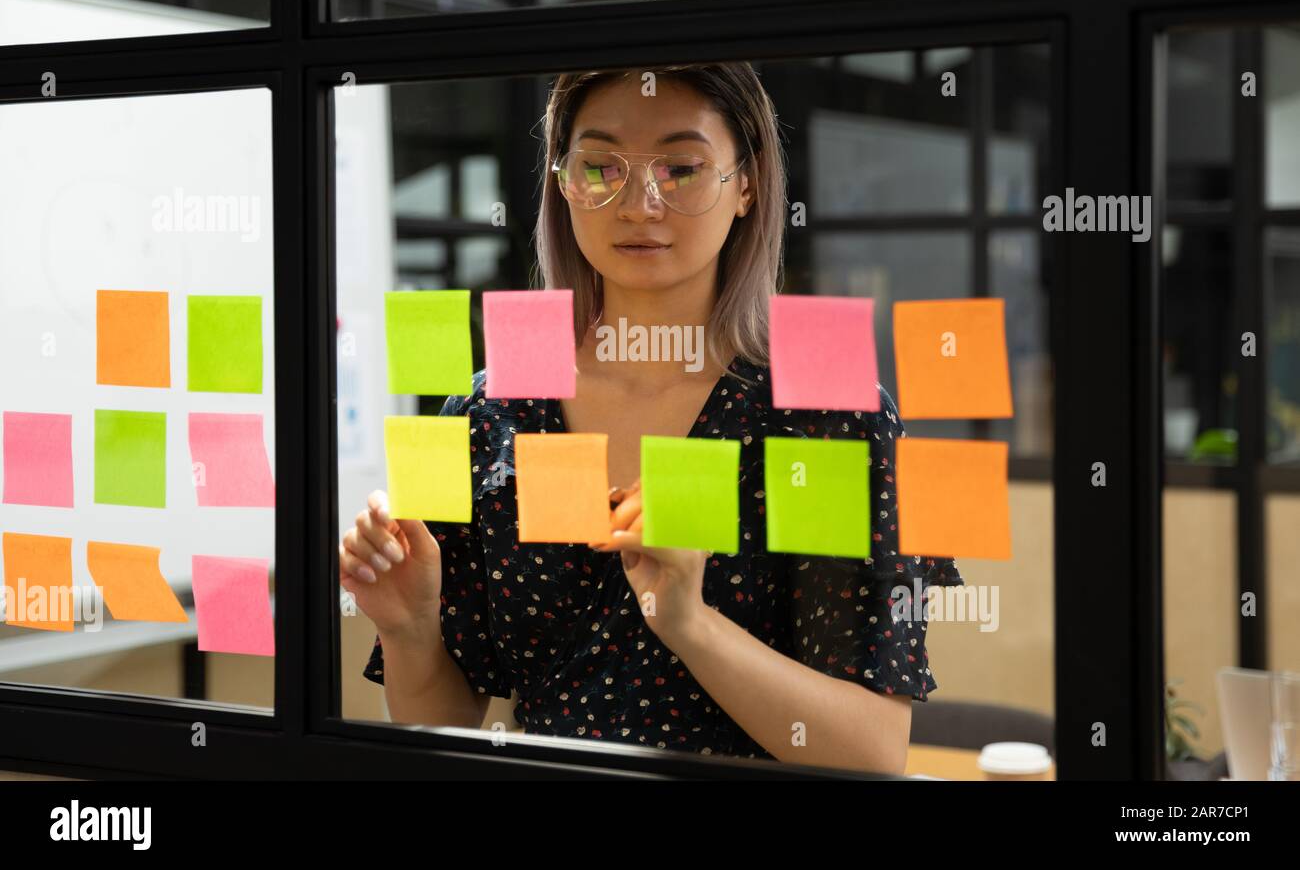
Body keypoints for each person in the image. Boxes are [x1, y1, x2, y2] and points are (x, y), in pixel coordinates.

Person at [339, 61, 963, 774]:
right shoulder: (490, 412)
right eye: (600, 166)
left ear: (747, 185)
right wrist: (412, 629)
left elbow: (872, 752)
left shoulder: (822, 413)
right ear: (562, 181)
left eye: (682, 168)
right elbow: (447, 720)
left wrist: (691, 626)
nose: (638, 203)